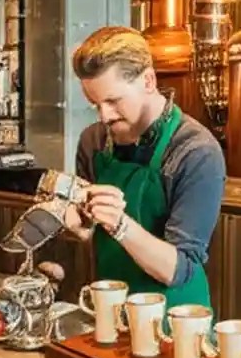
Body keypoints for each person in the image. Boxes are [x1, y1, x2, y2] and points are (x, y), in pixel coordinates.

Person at [65, 26, 225, 312]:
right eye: (95, 104)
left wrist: (120, 225)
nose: (105, 116)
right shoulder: (93, 141)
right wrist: (76, 220)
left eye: (113, 101)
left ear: (148, 81)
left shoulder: (195, 151)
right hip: (110, 311)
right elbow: (87, 231)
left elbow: (178, 269)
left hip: (174, 320)